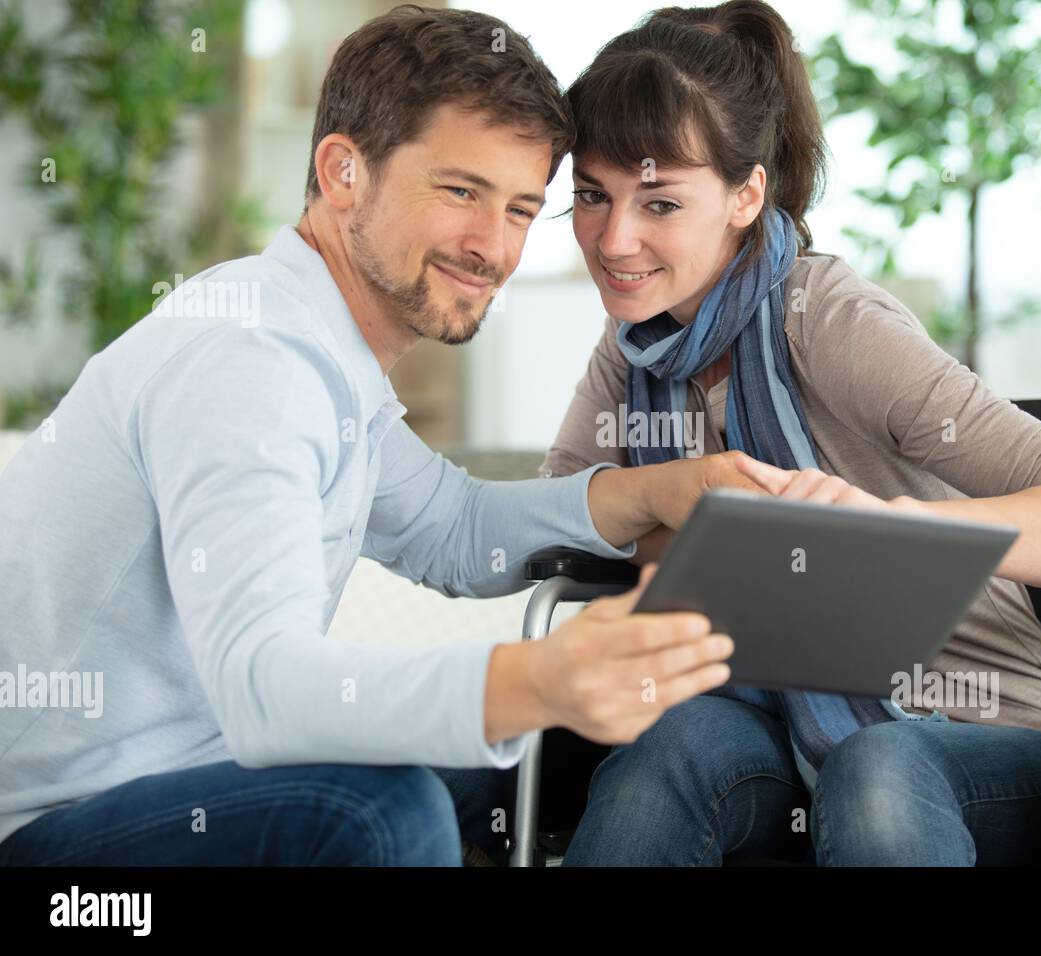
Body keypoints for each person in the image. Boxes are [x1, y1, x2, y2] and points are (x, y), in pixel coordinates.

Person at [0, 5, 752, 867]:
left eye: (518, 208)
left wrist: (652, 491)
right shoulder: (251, 361)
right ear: (343, 171)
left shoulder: (318, 350)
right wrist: (534, 678)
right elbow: (262, 689)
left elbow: (451, 527)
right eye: (461, 191)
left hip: (194, 784)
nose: (491, 249)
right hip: (57, 830)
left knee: (539, 765)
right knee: (381, 813)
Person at [543, 0, 1041, 865]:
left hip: (974, 725)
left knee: (876, 766)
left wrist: (893, 538)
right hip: (768, 712)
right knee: (662, 754)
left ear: (745, 193)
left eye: (658, 203)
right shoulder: (635, 353)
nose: (615, 240)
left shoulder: (824, 319)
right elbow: (552, 524)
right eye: (592, 198)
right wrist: (667, 519)